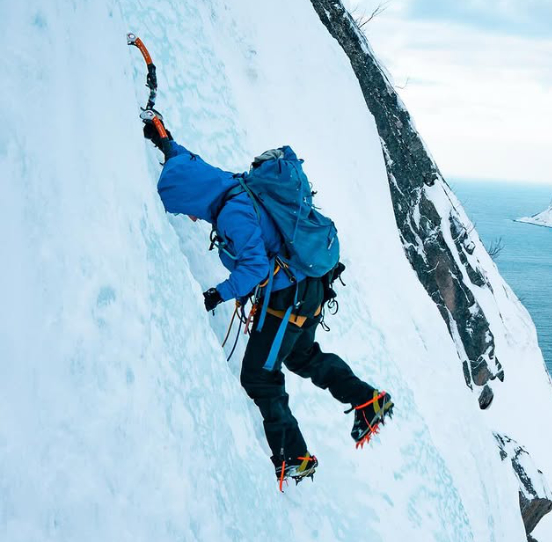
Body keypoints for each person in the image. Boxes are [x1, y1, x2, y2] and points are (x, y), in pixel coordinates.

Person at [144, 118, 393, 486]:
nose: (192, 216)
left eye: (186, 209)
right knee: (301, 355)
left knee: (258, 375)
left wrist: (216, 295)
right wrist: (164, 142)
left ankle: (294, 457)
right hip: (310, 286)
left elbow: (255, 269)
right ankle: (366, 400)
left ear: (192, 198)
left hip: (289, 297)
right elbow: (190, 165)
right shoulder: (226, 184)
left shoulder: (231, 213)